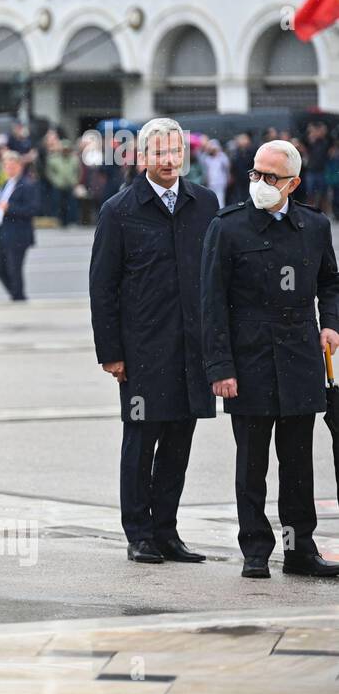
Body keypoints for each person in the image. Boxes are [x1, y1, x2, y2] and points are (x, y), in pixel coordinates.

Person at [201, 140, 339, 580]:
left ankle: (299, 550)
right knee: (252, 464)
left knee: (298, 466)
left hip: (299, 358)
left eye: (271, 177)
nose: (260, 183)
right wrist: (220, 368)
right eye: (255, 174)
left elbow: (331, 283)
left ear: (294, 183)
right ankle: (255, 550)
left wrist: (331, 324)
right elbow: (211, 303)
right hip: (249, 359)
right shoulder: (228, 227)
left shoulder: (314, 226)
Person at [89, 118, 218, 566]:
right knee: (142, 441)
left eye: (174, 152)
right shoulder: (120, 210)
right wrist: (111, 354)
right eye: (159, 153)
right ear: (142, 157)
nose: (168, 161)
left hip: (192, 348)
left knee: (180, 440)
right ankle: (139, 533)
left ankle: (167, 530)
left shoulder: (205, 204)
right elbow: (102, 287)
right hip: (142, 350)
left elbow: (215, 279)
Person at [0, 149, 39, 300]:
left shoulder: (27, 184)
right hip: (1, 234)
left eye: (12, 165)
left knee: (14, 269)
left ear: (20, 166)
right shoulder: (5, 184)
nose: (9, 168)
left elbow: (33, 209)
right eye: (6, 166)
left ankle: (18, 298)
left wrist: (10, 209)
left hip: (17, 234)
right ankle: (16, 295)